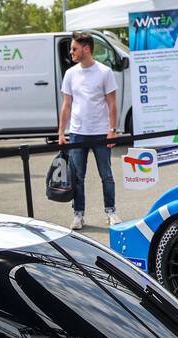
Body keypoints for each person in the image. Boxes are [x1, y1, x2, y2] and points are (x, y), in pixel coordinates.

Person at [58, 30, 119, 230]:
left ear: (86, 49)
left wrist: (112, 130)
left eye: (74, 48)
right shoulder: (70, 74)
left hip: (101, 132)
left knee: (106, 174)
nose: (71, 52)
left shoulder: (105, 72)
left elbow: (112, 103)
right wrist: (61, 132)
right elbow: (66, 105)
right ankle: (78, 214)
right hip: (77, 132)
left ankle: (111, 211)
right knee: (77, 176)